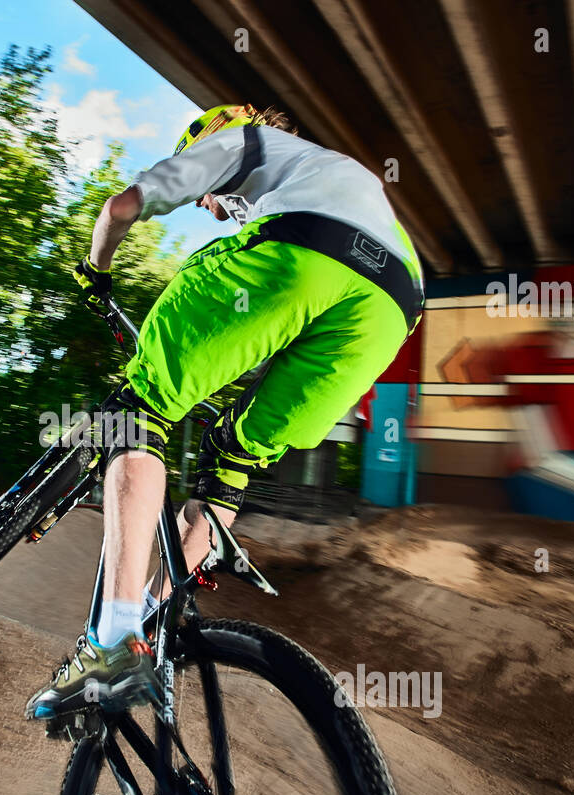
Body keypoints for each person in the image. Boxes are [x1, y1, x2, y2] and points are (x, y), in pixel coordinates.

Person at [25, 104, 425, 720]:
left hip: (305, 252)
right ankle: (151, 628)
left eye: (203, 200)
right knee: (235, 458)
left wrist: (95, 272)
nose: (204, 209)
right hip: (393, 307)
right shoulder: (328, 172)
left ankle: (112, 640)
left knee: (142, 411)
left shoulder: (245, 144)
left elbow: (121, 208)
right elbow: (329, 286)